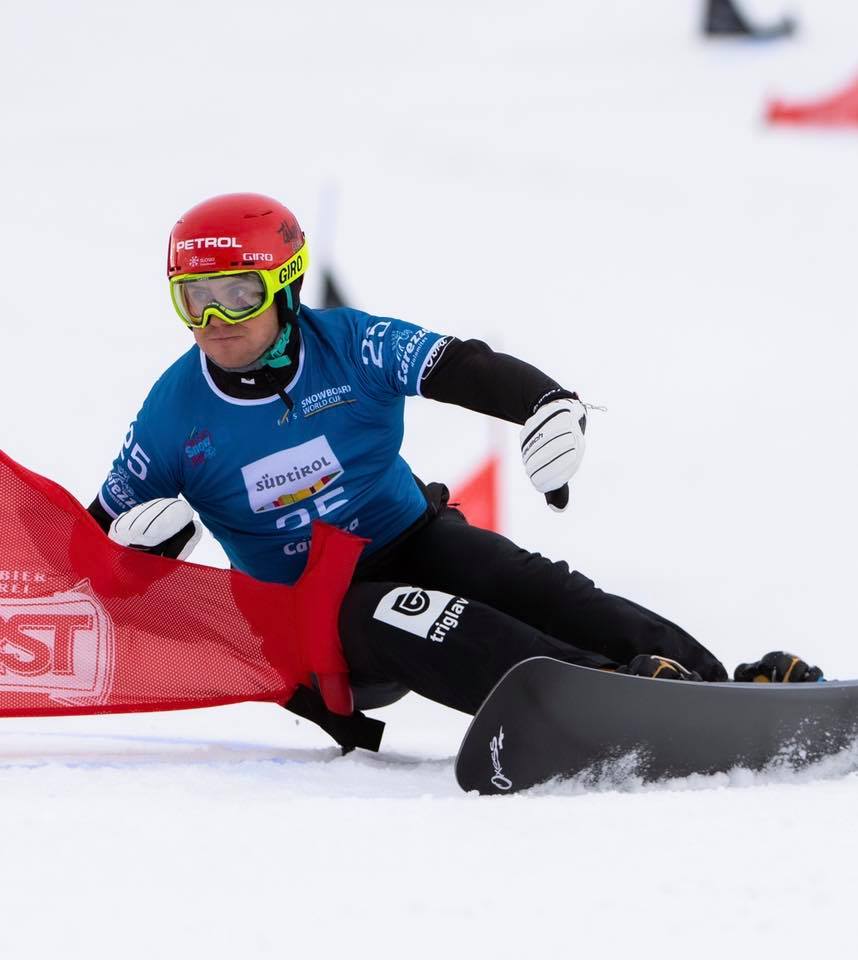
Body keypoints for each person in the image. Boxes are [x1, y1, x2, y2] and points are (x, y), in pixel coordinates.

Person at [87, 193, 822, 748]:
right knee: (428, 618)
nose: (217, 323)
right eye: (196, 301)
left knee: (528, 582)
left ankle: (719, 689)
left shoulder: (348, 344)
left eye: (239, 294)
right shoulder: (173, 413)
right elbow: (86, 551)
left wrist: (544, 403)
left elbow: (456, 365)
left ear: (283, 285)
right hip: (308, 622)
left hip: (409, 536)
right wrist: (141, 557)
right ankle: (611, 704)